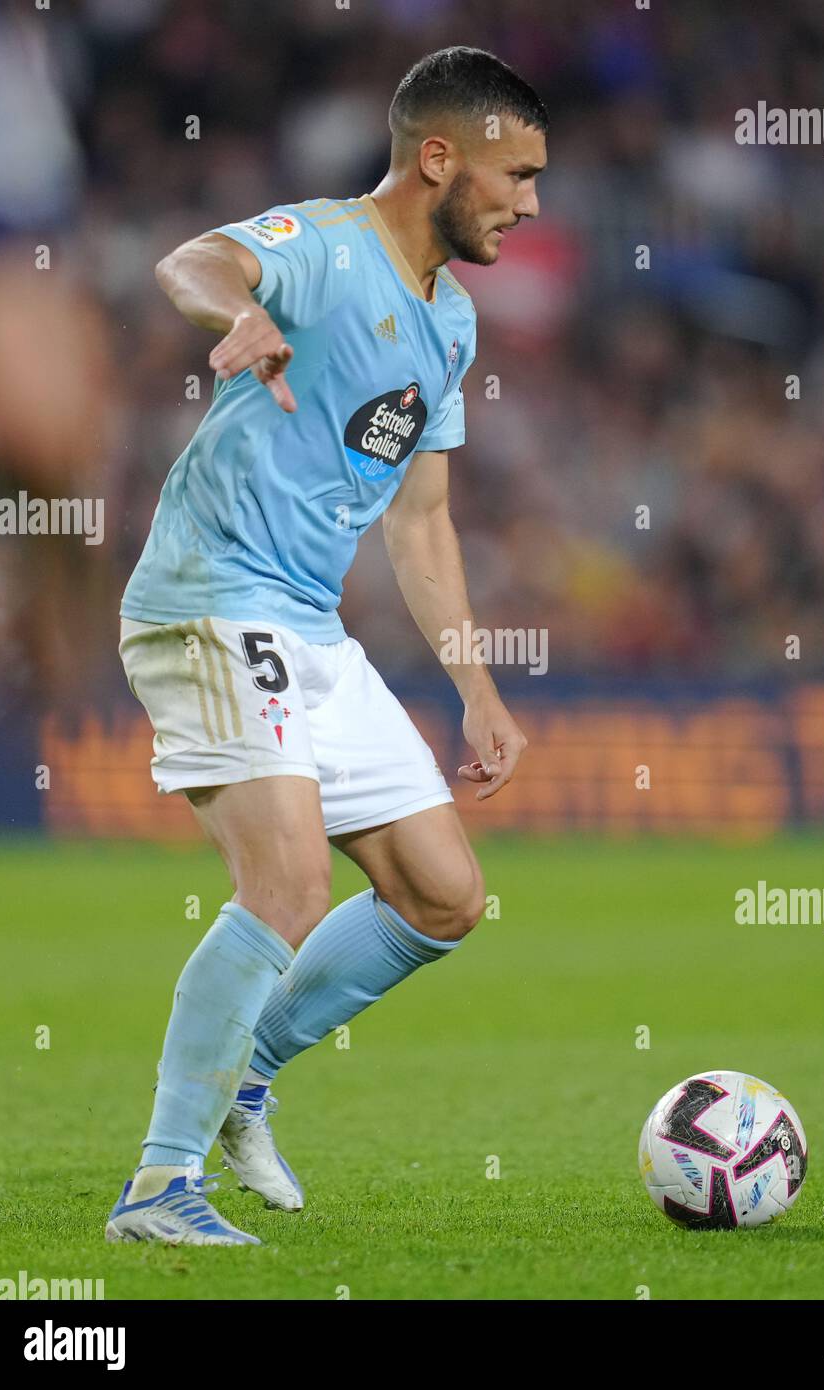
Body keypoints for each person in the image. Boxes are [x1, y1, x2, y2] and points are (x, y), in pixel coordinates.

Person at [106, 46, 547, 1244]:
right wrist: (240, 311)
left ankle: (244, 1074)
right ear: (437, 157)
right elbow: (190, 261)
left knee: (445, 896)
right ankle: (159, 1184)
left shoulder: (449, 323)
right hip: (209, 597)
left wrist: (476, 689)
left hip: (307, 624)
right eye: (515, 173)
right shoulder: (321, 241)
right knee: (290, 883)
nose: (530, 201)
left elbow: (420, 519)